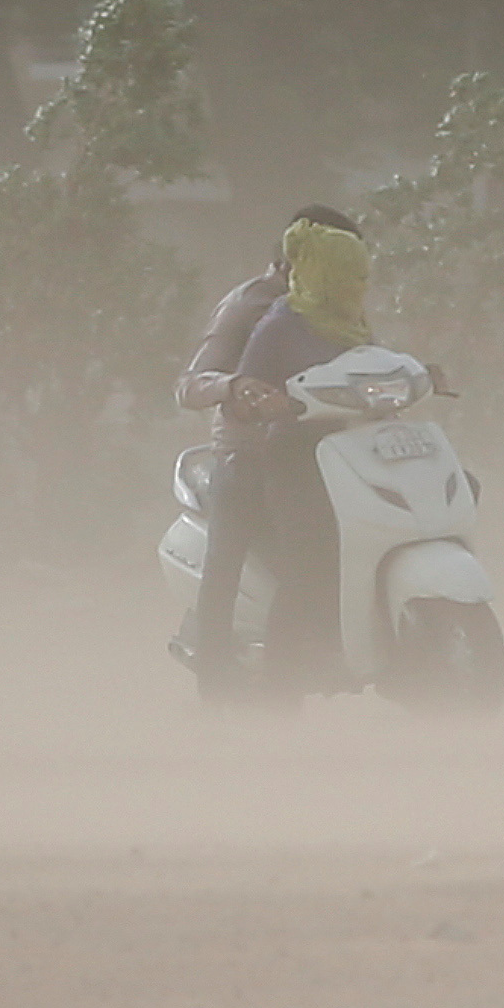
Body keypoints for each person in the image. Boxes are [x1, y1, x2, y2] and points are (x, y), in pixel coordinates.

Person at [227, 208, 374, 702]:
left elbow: (374, 367)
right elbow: (248, 391)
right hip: (293, 457)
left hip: (348, 449)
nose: (359, 284)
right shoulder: (277, 325)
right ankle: (282, 681)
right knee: (309, 556)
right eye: (349, 273)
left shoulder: (350, 324)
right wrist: (261, 402)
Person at [173, 217, 301, 702]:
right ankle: (214, 689)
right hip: (248, 456)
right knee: (222, 566)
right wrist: (233, 386)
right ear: (292, 262)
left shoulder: (332, 310)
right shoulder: (248, 306)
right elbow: (189, 384)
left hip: (313, 454)